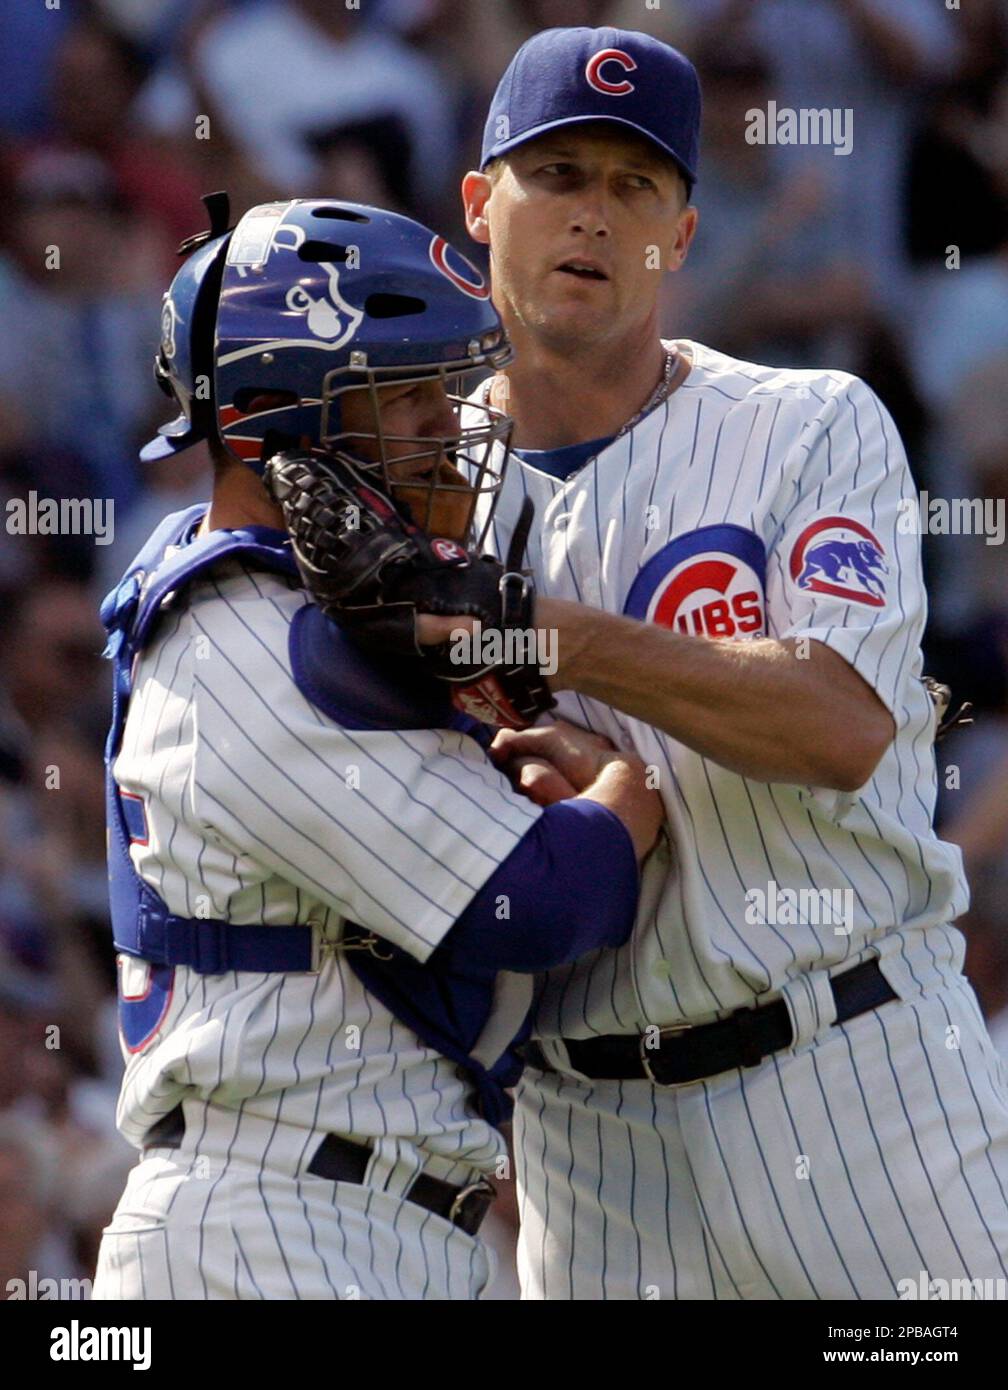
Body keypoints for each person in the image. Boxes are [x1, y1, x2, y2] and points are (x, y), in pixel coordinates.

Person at [441, 26, 1008, 1299]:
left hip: (855, 1080)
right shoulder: (419, 487)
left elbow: (838, 724)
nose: (594, 217)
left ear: (682, 236)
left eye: (635, 186)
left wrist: (555, 637)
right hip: (591, 1144)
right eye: (561, 174)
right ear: (481, 205)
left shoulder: (808, 425)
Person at [91, 195, 662, 1300]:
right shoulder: (237, 641)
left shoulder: (311, 619)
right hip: (268, 1222)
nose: (446, 428)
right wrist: (625, 792)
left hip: (369, 1220)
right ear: (274, 424)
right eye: (401, 396)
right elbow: (540, 903)